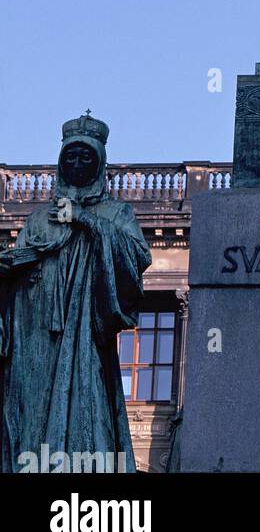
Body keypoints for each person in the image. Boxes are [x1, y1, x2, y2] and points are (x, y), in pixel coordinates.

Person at [0, 114, 151, 473]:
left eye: (86, 157)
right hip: (34, 337)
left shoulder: (117, 213)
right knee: (30, 422)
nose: (77, 164)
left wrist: (83, 219)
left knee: (87, 414)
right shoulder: (38, 219)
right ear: (60, 163)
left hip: (83, 338)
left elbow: (136, 259)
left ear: (100, 163)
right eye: (70, 157)